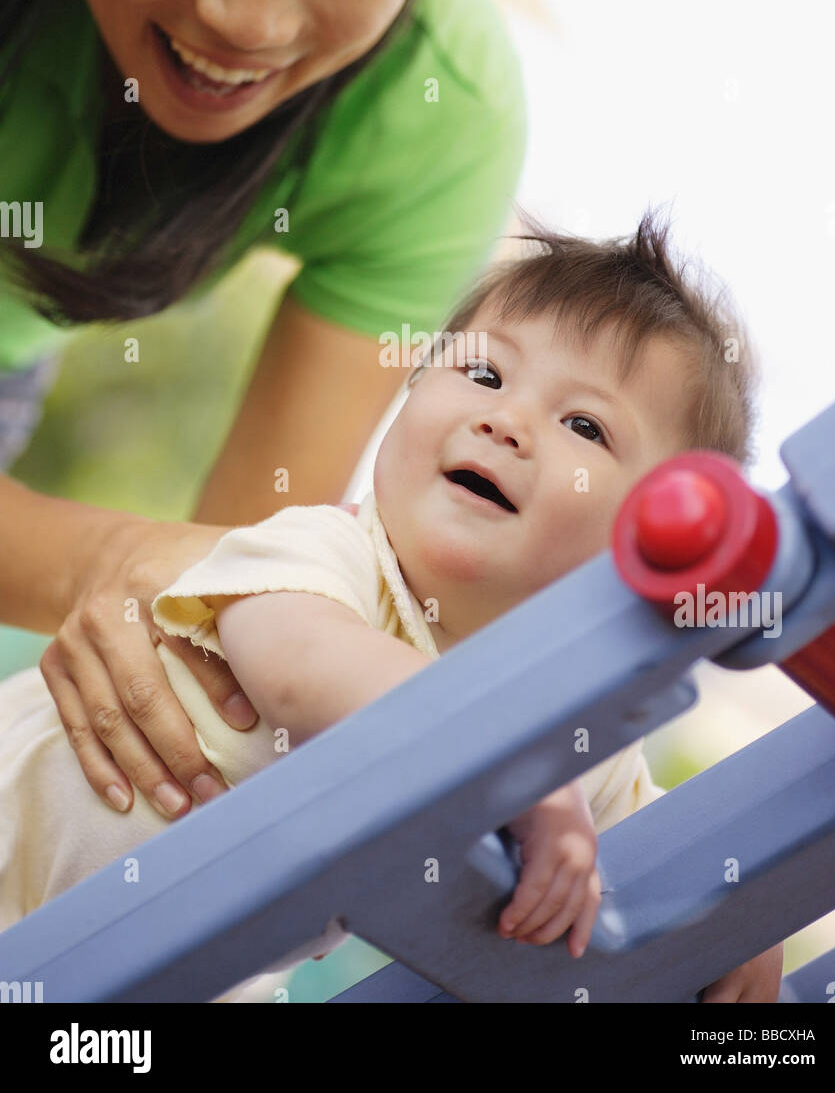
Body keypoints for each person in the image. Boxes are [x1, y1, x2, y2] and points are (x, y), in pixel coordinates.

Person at [0, 208, 785, 1002]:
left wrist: (734, 923)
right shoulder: (322, 552)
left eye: (583, 424)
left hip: (162, 972)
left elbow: (650, 858)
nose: (505, 420)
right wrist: (512, 769)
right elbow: (305, 672)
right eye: (483, 374)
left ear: (644, 548)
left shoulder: (580, 737)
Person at [0, 0, 527, 824]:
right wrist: (106, 555)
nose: (249, 19)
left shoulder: (442, 112)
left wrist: (181, 592)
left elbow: (222, 586)